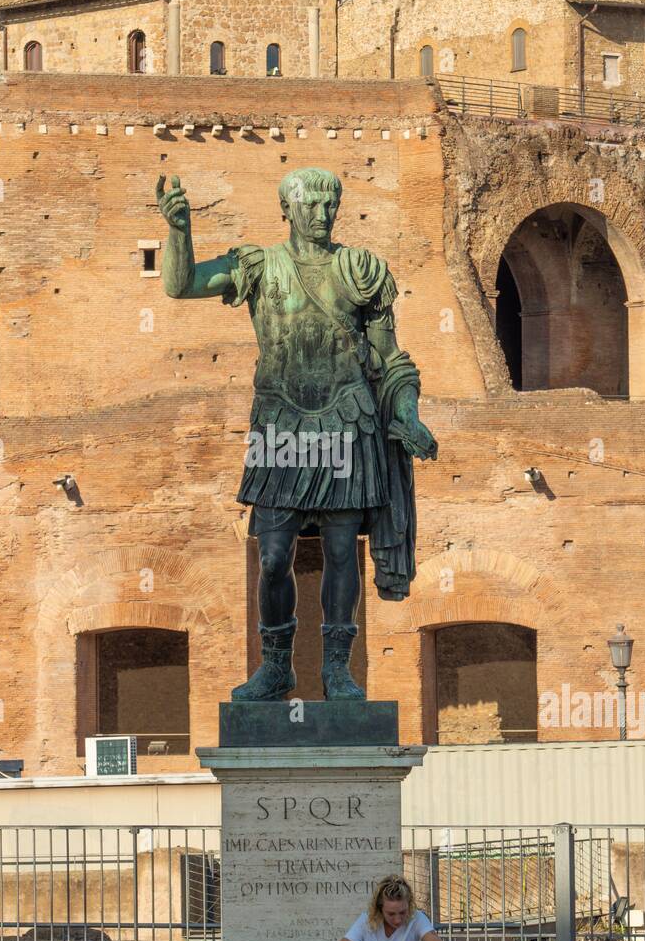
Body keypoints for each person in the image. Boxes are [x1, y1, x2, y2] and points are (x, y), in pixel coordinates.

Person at [156, 168, 437, 703]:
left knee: (340, 551)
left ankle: (336, 668)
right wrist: (179, 232)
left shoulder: (360, 270)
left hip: (347, 422)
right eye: (310, 204)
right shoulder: (260, 268)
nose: (321, 213)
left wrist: (408, 412)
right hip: (281, 424)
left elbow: (390, 358)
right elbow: (182, 284)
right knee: (272, 554)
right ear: (287, 208)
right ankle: (277, 666)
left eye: (330, 204)